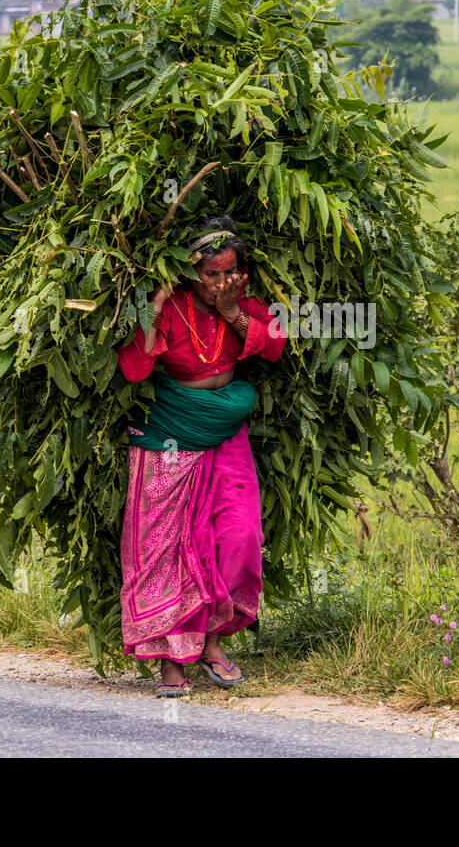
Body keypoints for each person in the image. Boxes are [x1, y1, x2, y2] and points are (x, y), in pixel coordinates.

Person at [115, 215, 286, 697]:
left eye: (229, 274)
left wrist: (234, 312)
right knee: (166, 546)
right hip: (170, 429)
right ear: (192, 272)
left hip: (225, 429)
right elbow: (133, 369)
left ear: (241, 274)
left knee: (238, 536)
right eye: (211, 275)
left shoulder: (243, 305)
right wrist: (152, 307)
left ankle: (211, 643)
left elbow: (274, 348)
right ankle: (172, 662)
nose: (219, 283)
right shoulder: (170, 307)